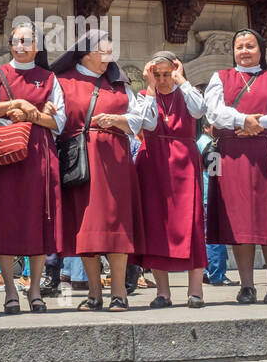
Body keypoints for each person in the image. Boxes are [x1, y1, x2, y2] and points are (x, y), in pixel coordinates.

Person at [204, 27, 267, 304]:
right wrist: (242, 120)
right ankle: (247, 285)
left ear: (260, 50)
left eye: (250, 46)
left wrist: (261, 123)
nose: (244, 52)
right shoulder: (220, 78)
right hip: (233, 157)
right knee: (241, 223)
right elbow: (212, 110)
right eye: (239, 47)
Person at [0, 21, 63, 315]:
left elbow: (58, 123)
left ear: (37, 45)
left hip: (39, 155)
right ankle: (10, 289)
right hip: (4, 156)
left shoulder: (49, 78)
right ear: (10, 44)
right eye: (16, 41)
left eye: (27, 41)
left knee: (38, 222)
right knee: (5, 222)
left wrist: (30, 115)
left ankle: (34, 290)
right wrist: (22, 103)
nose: (21, 46)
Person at [50, 29, 145, 312]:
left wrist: (117, 120)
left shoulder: (119, 83)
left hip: (115, 162)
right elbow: (56, 120)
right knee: (86, 228)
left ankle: (119, 294)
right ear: (88, 52)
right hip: (80, 161)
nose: (109, 57)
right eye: (105, 51)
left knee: (117, 225)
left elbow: (140, 120)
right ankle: (94, 294)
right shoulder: (62, 81)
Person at [133, 52, 207, 308]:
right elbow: (146, 124)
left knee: (193, 225)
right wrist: (150, 88)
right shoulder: (144, 97)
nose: (163, 79)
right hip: (153, 161)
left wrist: (182, 80)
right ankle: (162, 292)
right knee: (156, 225)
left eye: (167, 74)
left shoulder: (186, 94)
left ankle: (195, 291)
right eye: (158, 74)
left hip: (184, 162)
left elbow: (199, 111)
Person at [196, 123, 233, 287]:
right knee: (215, 237)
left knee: (206, 237)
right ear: (205, 127)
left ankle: (207, 272)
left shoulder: (199, 143)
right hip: (209, 196)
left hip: (203, 196)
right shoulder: (210, 145)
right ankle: (217, 274)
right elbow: (214, 172)